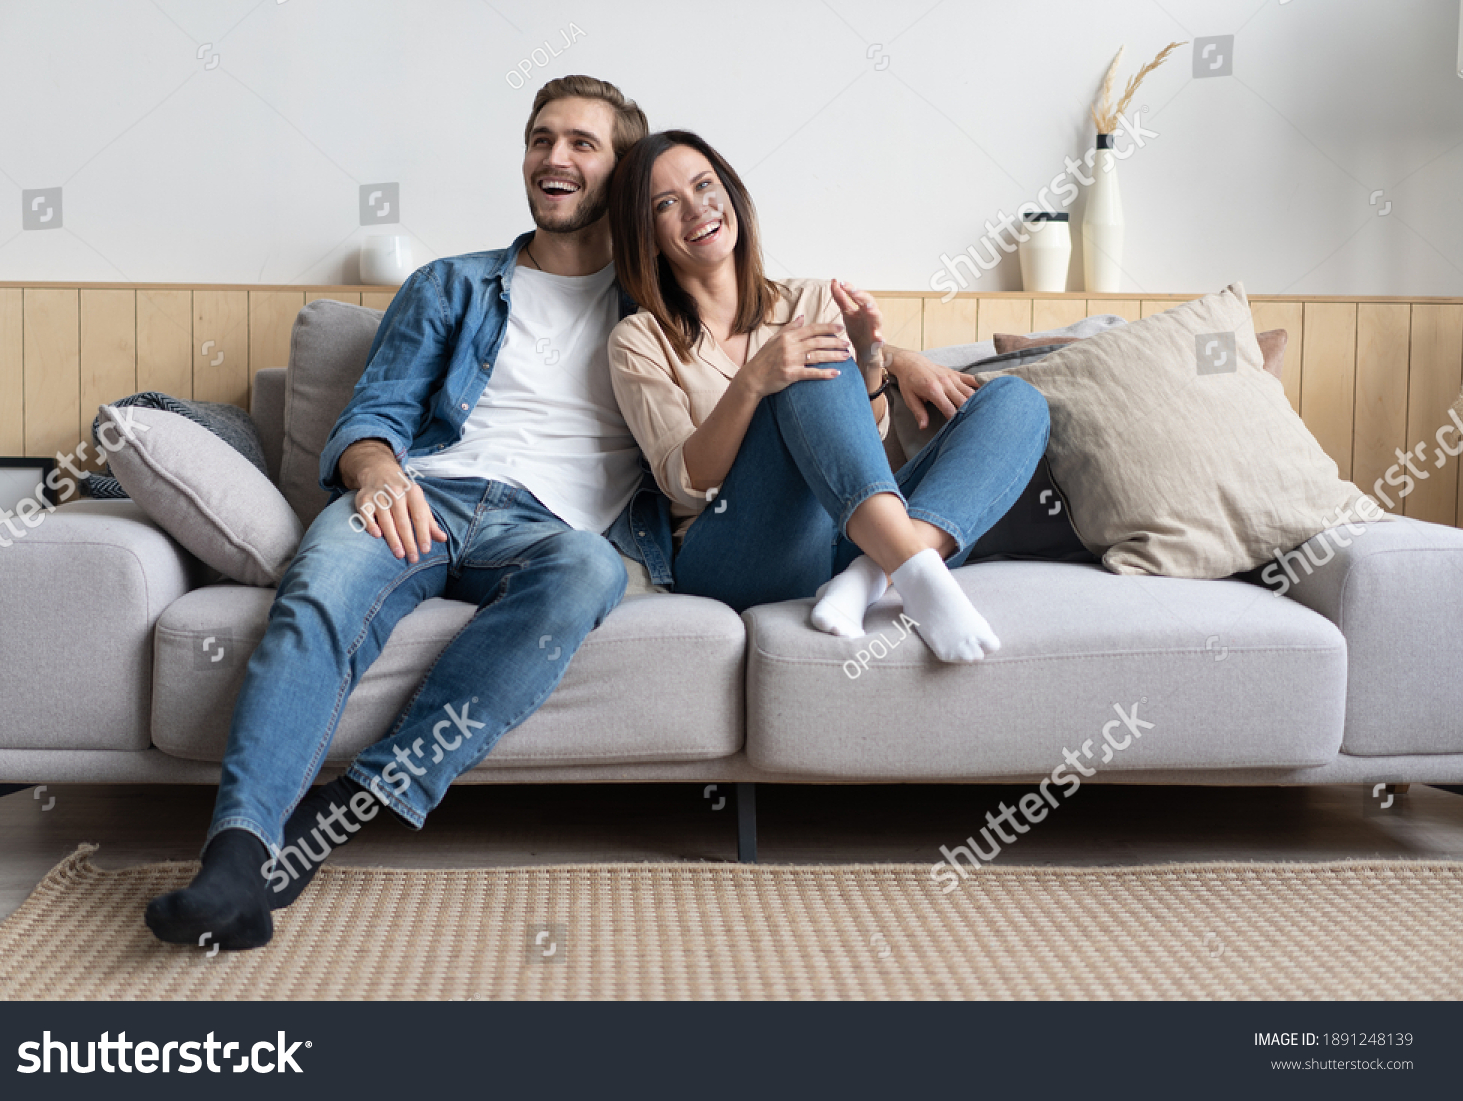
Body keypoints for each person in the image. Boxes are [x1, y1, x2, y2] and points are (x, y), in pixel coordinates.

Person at [145, 76, 669, 951]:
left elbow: (772, 330)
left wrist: (890, 365)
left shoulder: (658, 304)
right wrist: (379, 473)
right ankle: (235, 860)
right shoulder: (450, 285)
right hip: (424, 497)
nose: (554, 158)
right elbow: (373, 418)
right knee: (318, 588)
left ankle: (346, 807)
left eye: (583, 143)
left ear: (621, 169)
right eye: (542, 139)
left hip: (549, 530)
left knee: (590, 567)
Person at [606, 131, 1050, 662]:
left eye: (705, 185)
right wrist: (754, 382)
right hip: (734, 551)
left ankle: (870, 575)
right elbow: (682, 479)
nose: (697, 207)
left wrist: (869, 360)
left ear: (730, 195)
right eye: (666, 204)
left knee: (1017, 403)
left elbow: (864, 442)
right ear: (649, 236)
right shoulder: (638, 338)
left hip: (842, 538)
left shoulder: (810, 298)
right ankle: (913, 572)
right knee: (807, 370)